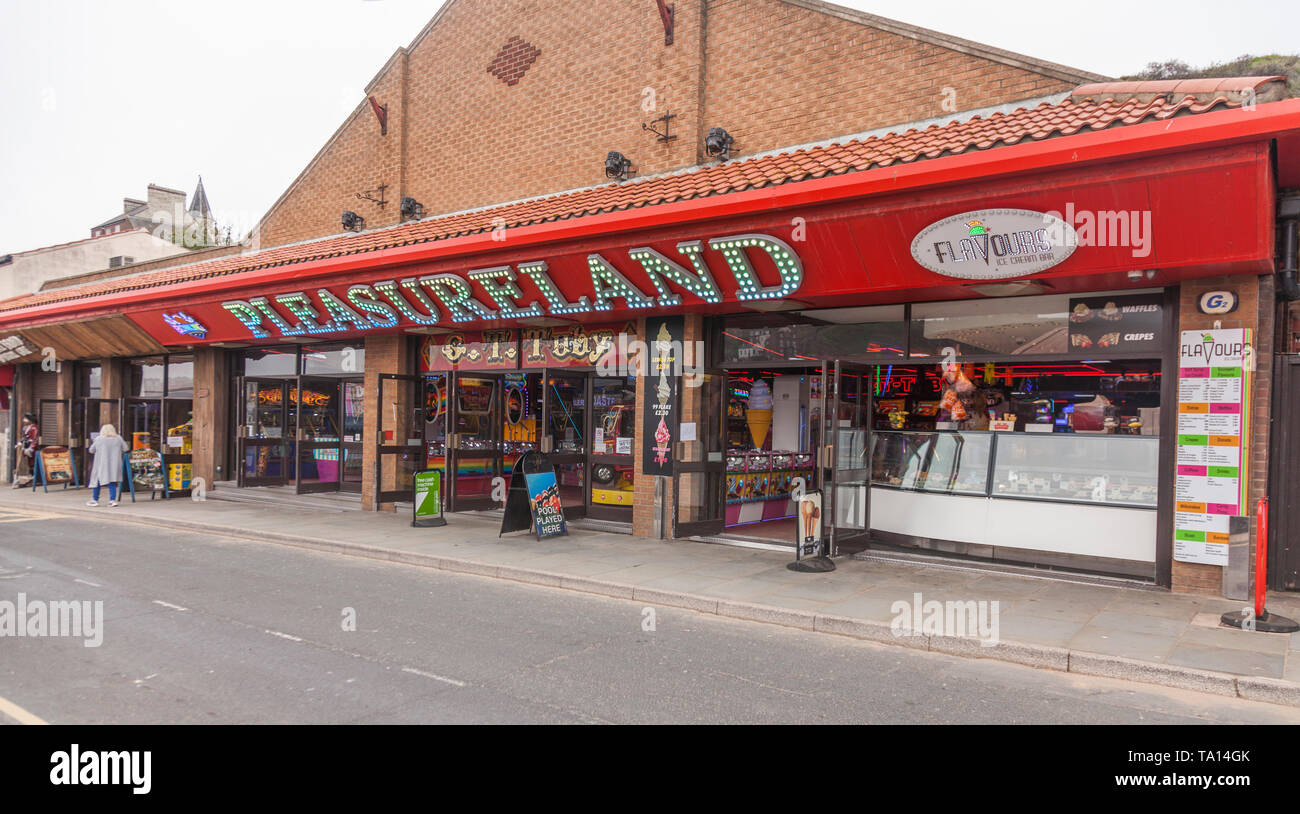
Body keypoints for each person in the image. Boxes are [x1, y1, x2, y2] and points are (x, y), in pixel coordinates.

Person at [86, 423, 128, 507]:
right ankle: (112, 500)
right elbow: (125, 448)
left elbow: (91, 450)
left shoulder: (99, 439)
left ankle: (95, 500)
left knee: (97, 481)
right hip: (114, 464)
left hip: (101, 463)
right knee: (112, 481)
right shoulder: (118, 438)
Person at [12, 412, 38, 488]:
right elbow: (24, 437)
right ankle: (31, 477)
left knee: (33, 462)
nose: (24, 420)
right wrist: (20, 442)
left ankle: (35, 478)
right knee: (29, 463)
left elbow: (35, 439)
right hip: (26, 446)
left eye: (25, 419)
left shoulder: (34, 428)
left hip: (32, 448)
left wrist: (31, 448)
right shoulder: (25, 428)